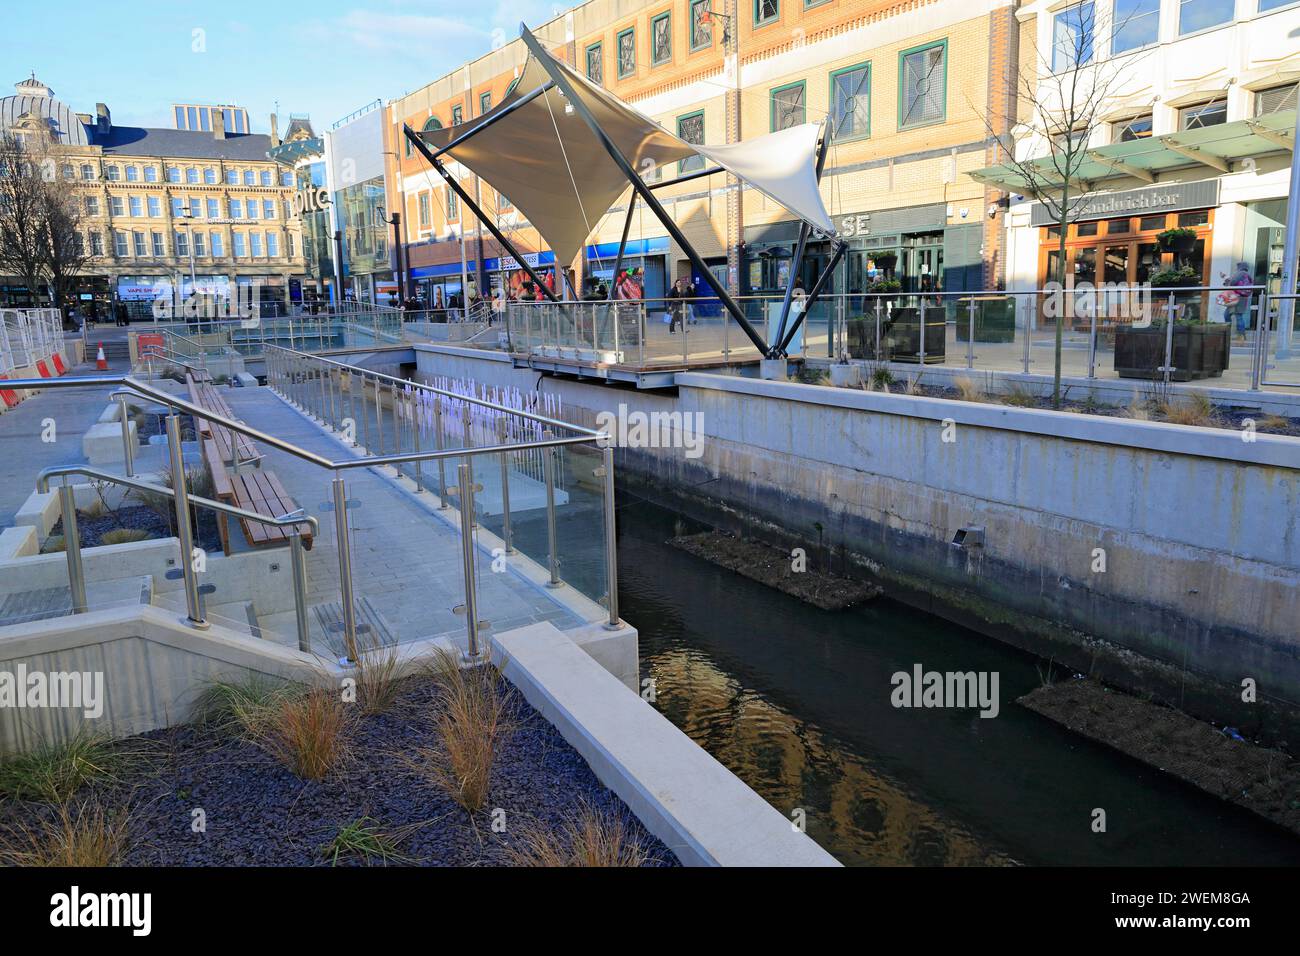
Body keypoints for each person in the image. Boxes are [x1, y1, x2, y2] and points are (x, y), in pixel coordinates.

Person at [1220, 262, 1254, 342]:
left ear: (1240, 267)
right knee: (1229, 315)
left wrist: (1225, 278)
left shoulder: (1240, 273)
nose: (1236, 268)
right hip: (1243, 298)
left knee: (1236, 316)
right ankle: (1237, 334)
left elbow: (1232, 283)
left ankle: (1240, 335)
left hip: (1236, 297)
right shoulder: (1248, 275)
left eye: (1237, 266)